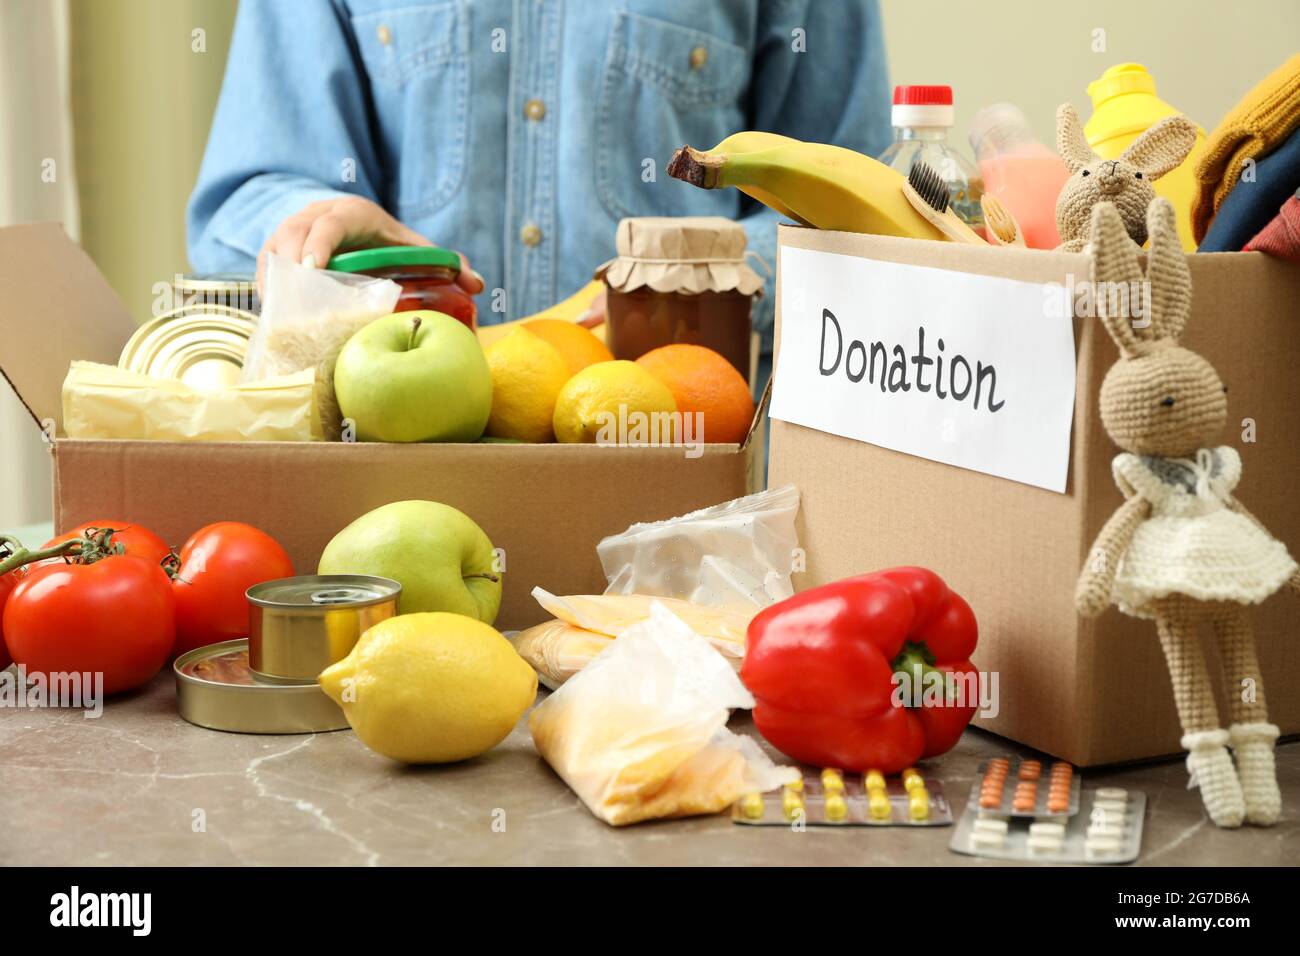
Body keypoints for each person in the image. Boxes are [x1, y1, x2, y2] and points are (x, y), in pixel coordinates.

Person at [188, 0, 890, 387]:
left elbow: (856, 213)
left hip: (694, 479)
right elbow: (247, 197)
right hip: (392, 479)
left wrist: (705, 283)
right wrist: (321, 227)